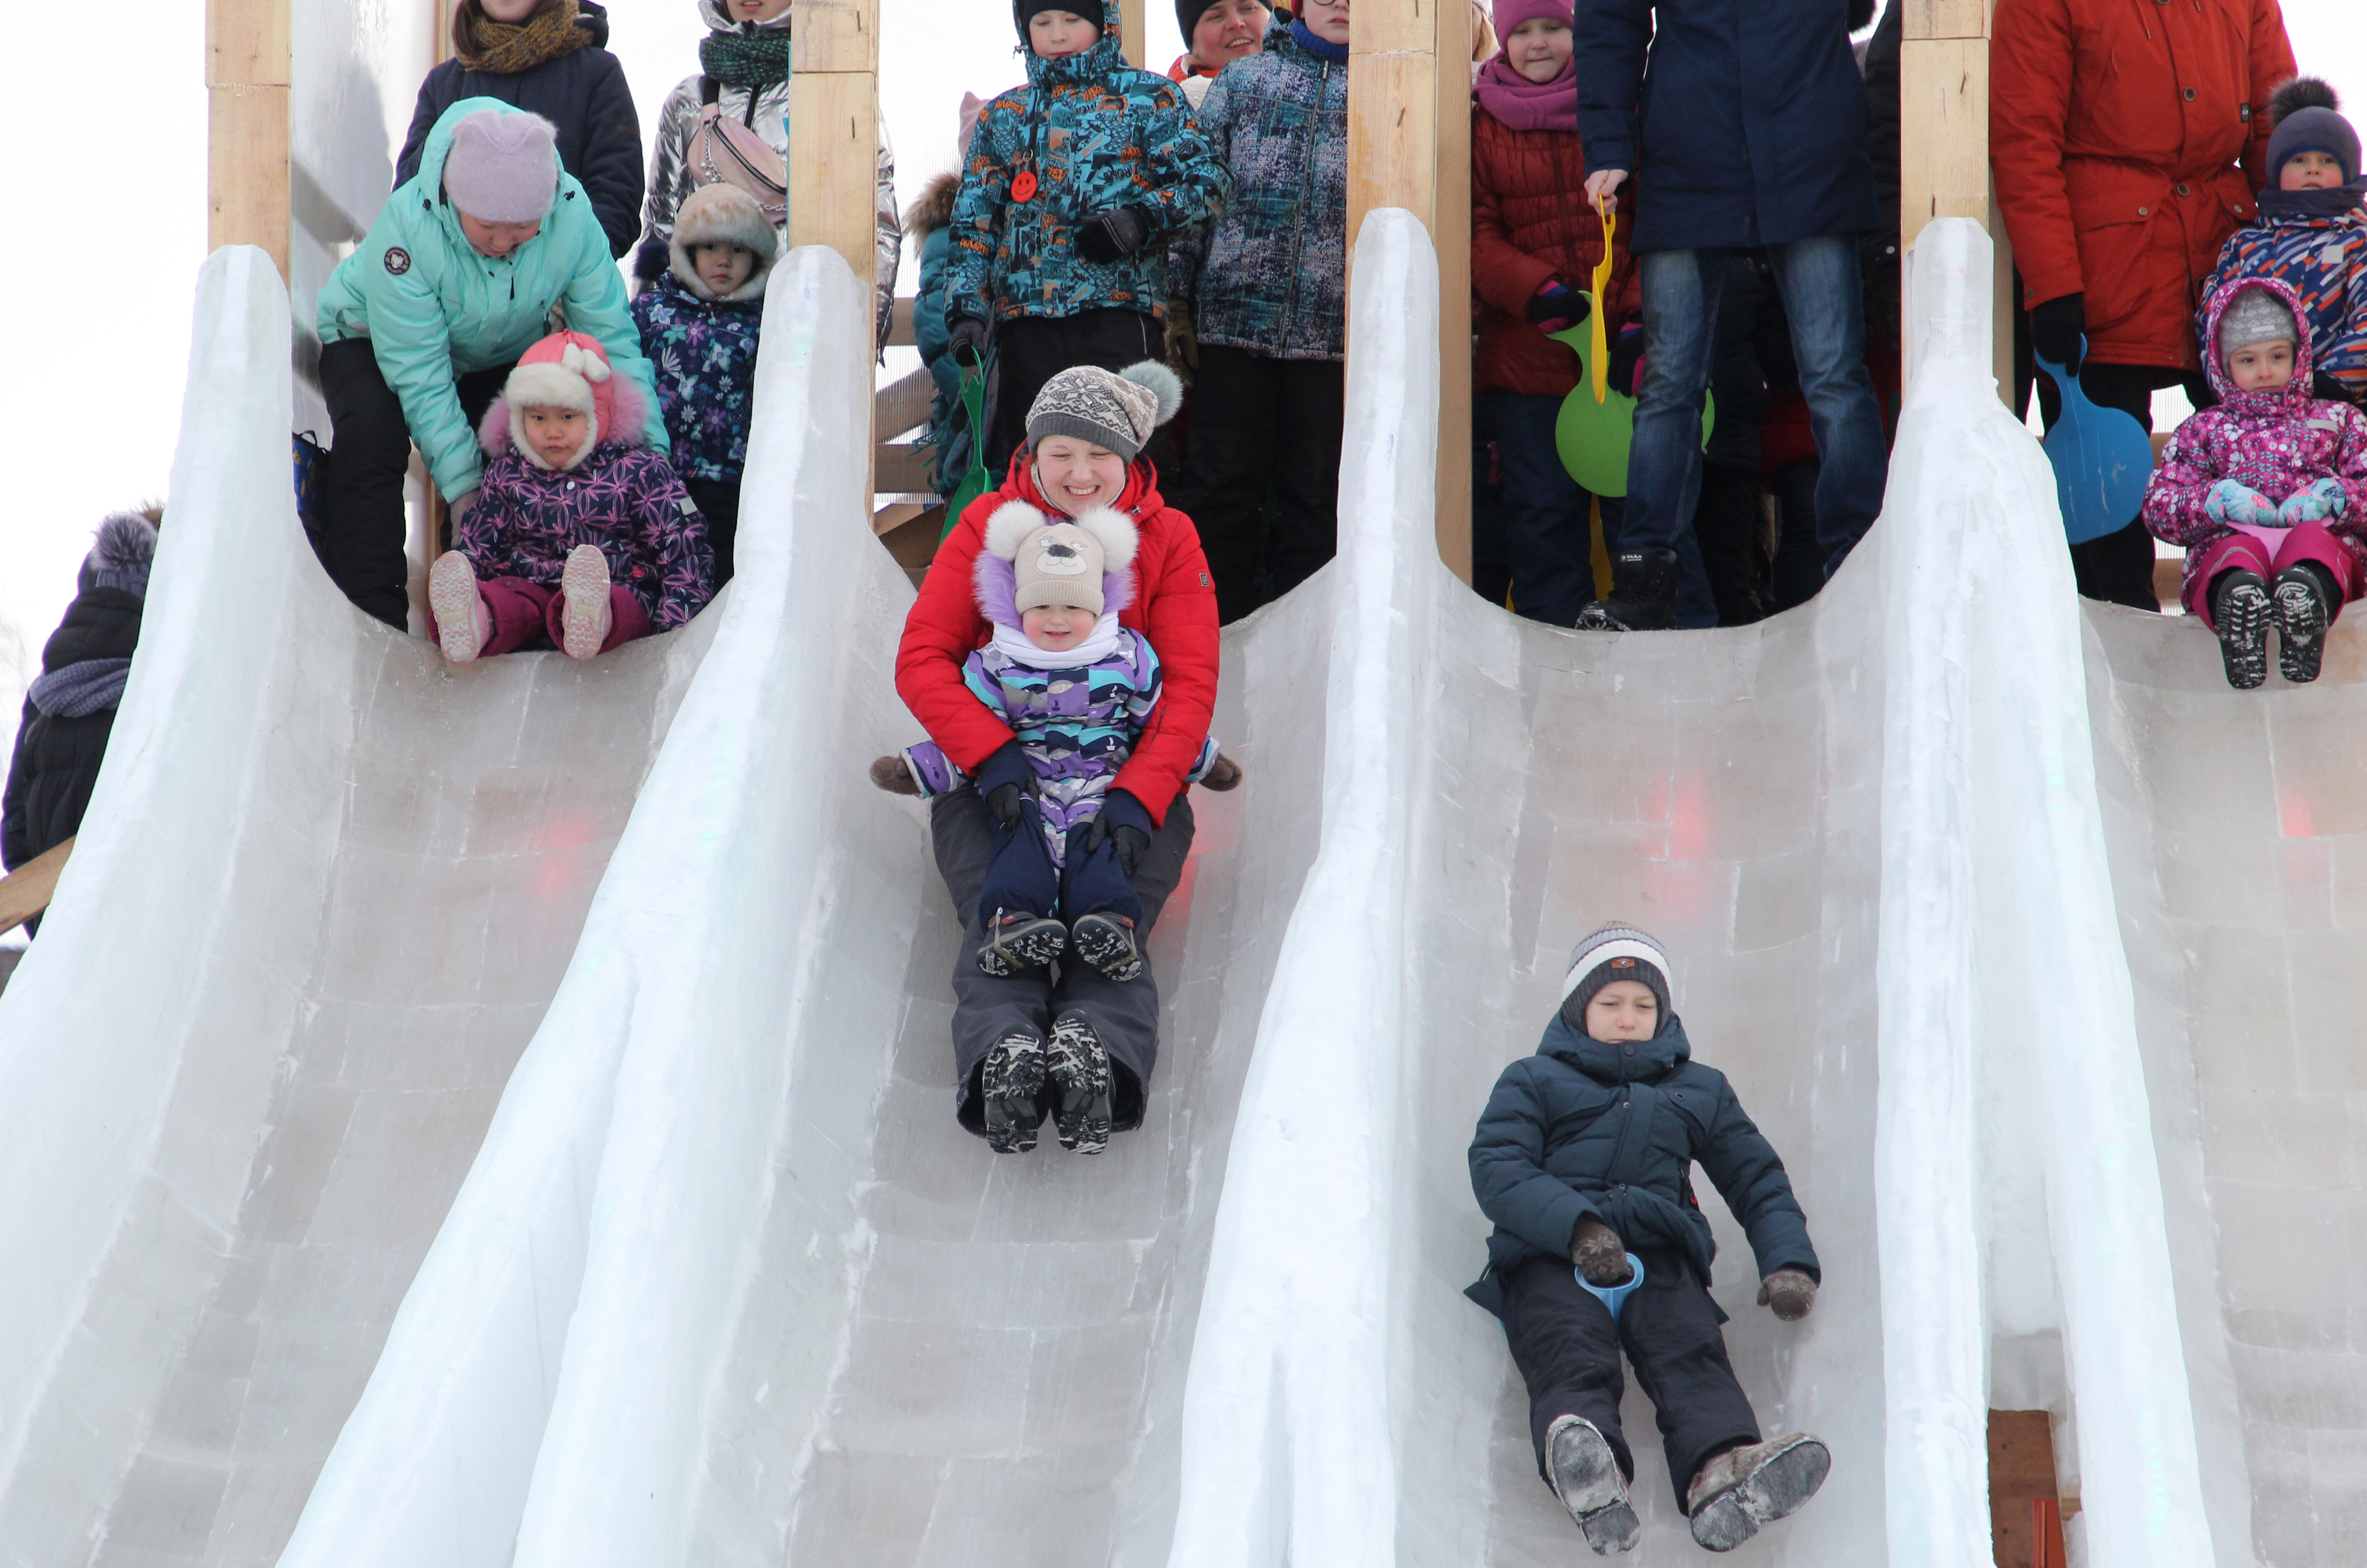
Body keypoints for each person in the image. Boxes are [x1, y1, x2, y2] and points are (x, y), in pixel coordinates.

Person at [891, 364, 1218, 1156]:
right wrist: (992, 758)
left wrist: (1139, 798)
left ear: (1130, 458)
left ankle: (1094, 1052)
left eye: (1097, 456)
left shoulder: (1167, 538)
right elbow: (925, 656)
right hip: (998, 783)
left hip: (1125, 783)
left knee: (1110, 924)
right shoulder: (987, 525)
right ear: (1033, 452)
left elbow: (1187, 688)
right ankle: (1004, 1053)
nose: (1078, 473)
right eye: (1060, 451)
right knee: (1003, 917)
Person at [1466, 925, 1827, 1556]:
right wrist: (1577, 1228)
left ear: (1663, 1011)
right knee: (1569, 1351)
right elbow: (1499, 1166)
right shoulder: (1533, 1079)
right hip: (1552, 1257)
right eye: (1610, 1004)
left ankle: (1721, 1472)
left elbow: (1754, 1176)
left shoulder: (1699, 1089)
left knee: (1690, 1353)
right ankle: (1590, 1468)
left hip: (1659, 1256)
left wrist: (1788, 1259)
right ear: (1579, 1008)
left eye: (1643, 1004)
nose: (1628, 1018)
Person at [1575, 0, 1888, 632]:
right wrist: (1607, 142)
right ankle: (1643, 582)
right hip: (1692, 151)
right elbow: (1610, 15)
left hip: (1809, 146)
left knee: (1833, 375)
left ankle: (1863, 569)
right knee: (1671, 380)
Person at [1990, 0, 2297, 612]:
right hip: (2102, 270)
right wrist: (2052, 285)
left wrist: (2311, 246)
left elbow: (2277, 130)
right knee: (2101, 490)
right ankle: (2114, 645)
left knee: (2265, 459)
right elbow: (2024, 141)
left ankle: (2246, 607)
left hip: (2223, 264)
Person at [314, 101, 663, 631]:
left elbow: (609, 343)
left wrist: (649, 456)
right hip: (368, 336)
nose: (502, 244)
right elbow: (421, 373)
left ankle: (498, 609)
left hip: (491, 349)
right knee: (373, 436)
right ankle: (373, 620)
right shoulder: (408, 229)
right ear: (454, 199)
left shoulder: (572, 219)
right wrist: (462, 489)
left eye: (523, 228)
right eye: (487, 227)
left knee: (523, 444)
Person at [946, 0, 1229, 480]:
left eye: (1072, 20)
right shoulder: (1005, 116)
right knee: (1032, 453)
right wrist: (967, 311)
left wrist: (1139, 220)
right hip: (1026, 321)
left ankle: (1138, 553)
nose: (1057, 34)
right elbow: (975, 224)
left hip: (1119, 312)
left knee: (1126, 448)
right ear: (1024, 29)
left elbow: (1208, 185)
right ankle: (1037, 553)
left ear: (1103, 24)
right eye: (1042, 22)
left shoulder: (1149, 98)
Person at [1165, 0, 1349, 624]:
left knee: (1317, 498)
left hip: (1337, 339)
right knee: (1219, 491)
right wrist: (1176, 301)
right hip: (1233, 326)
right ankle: (1213, 638)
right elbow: (1196, 196)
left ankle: (1305, 649)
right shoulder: (1244, 83)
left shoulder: (1391, 90)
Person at [1469, 0, 1634, 627]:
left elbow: (1650, 227)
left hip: (1618, 355)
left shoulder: (1617, 112)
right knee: (1541, 514)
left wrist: (1638, 318)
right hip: (1527, 359)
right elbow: (1476, 231)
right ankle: (1551, 648)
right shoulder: (1484, 123)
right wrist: (1533, 288)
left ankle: (1649, 644)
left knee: (1633, 507)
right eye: (1524, 32)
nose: (1539, 44)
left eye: (1555, 28)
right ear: (1503, 42)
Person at [427, 331, 715, 663]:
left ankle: (595, 619)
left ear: (598, 415)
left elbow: (682, 547)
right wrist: (469, 579)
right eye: (538, 418)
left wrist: (676, 631)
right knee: (507, 600)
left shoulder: (639, 470)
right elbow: (482, 545)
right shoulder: (509, 474)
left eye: (568, 417)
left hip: (615, 586)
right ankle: (477, 621)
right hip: (530, 586)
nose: (553, 432)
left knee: (625, 606)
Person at [2140, 278, 2367, 689]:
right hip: (2236, 541)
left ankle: (2305, 602)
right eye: (2247, 360)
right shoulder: (2204, 429)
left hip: (2320, 542)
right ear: (2222, 364)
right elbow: (2160, 506)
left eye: (2277, 356)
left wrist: (2337, 499)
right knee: (2235, 554)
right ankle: (2238, 610)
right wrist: (2214, 500)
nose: (2265, 372)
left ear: (2298, 355)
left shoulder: (2339, 421)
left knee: (2312, 543)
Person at [640, 0, 900, 351]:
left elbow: (875, 227)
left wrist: (863, 338)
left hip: (800, 337)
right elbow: (660, 230)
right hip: (693, 348)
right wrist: (646, 340)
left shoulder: (838, 98)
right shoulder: (689, 101)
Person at [3, 508, 160, 937]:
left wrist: (49, 929)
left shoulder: (48, 694)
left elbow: (15, 831)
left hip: (63, 938)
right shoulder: (164, 689)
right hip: (149, 930)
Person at [396, 0, 643, 259]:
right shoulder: (444, 83)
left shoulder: (598, 74)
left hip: (561, 291)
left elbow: (616, 199)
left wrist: (557, 277)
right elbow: (409, 198)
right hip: (452, 291)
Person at [630, 182, 773, 587]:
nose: (724, 261)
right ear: (688, 251)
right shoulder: (652, 310)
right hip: (659, 472)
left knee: (723, 573)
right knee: (657, 566)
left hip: (730, 476)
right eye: (711, 247)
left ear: (757, 257)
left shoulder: (764, 321)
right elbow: (620, 378)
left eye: (738, 250)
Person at [2200, 78, 2367, 408]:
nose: (2313, 171)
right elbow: (2213, 318)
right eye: (2299, 161)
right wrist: (2226, 382)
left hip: (2340, 403)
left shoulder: (2357, 241)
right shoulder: (2246, 246)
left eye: (2328, 161)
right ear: (2277, 170)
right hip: (2253, 403)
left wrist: (2331, 383)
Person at [1166, 0, 1269, 108]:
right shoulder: (1190, 105)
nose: (1236, 23)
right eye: (1216, 17)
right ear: (1194, 44)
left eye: (1249, 8)